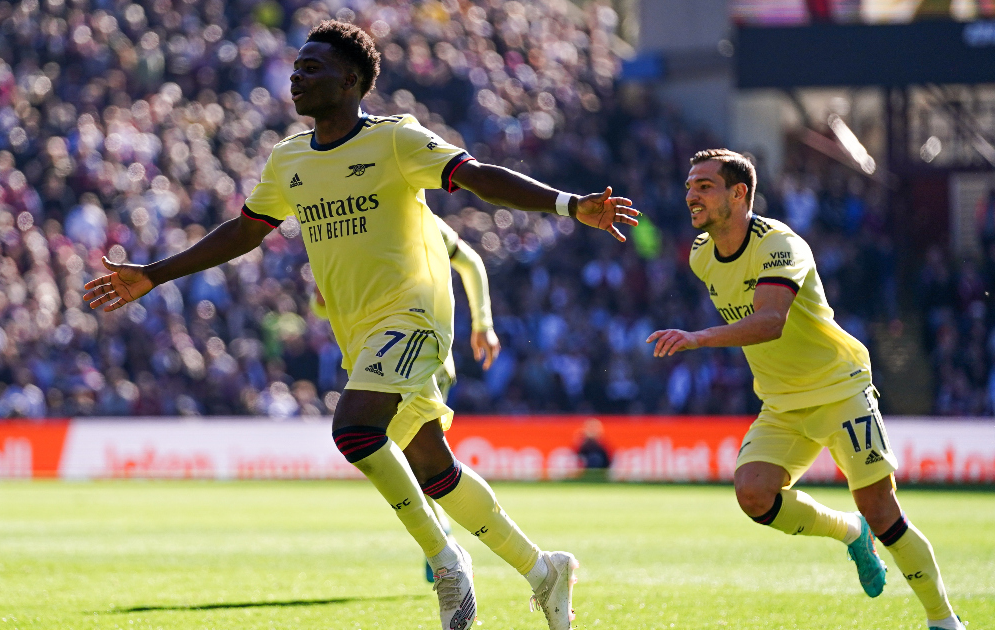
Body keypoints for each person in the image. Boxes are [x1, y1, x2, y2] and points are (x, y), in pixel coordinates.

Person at [84, 20, 637, 630]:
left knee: (353, 430)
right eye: (296, 68)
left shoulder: (396, 139)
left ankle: (446, 562)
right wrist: (155, 273)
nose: (297, 77)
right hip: (360, 334)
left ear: (350, 81)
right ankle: (542, 570)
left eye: (312, 68)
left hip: (415, 318)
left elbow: (477, 177)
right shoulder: (289, 159)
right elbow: (244, 231)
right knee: (436, 472)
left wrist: (568, 204)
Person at [646, 149, 965, 630]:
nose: (691, 195)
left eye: (705, 186)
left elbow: (771, 321)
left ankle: (944, 621)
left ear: (739, 193)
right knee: (754, 494)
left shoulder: (780, 244)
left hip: (839, 389)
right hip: (781, 401)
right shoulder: (700, 255)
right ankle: (850, 532)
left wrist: (699, 337)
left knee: (881, 510)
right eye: (689, 186)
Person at [310, 214, 500, 583]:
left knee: (414, 455)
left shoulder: (414, 215)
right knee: (416, 457)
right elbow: (323, 304)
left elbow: (470, 261)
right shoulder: (346, 220)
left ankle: (446, 546)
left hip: (421, 353)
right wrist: (323, 295)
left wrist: (483, 323)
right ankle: (453, 545)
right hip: (378, 356)